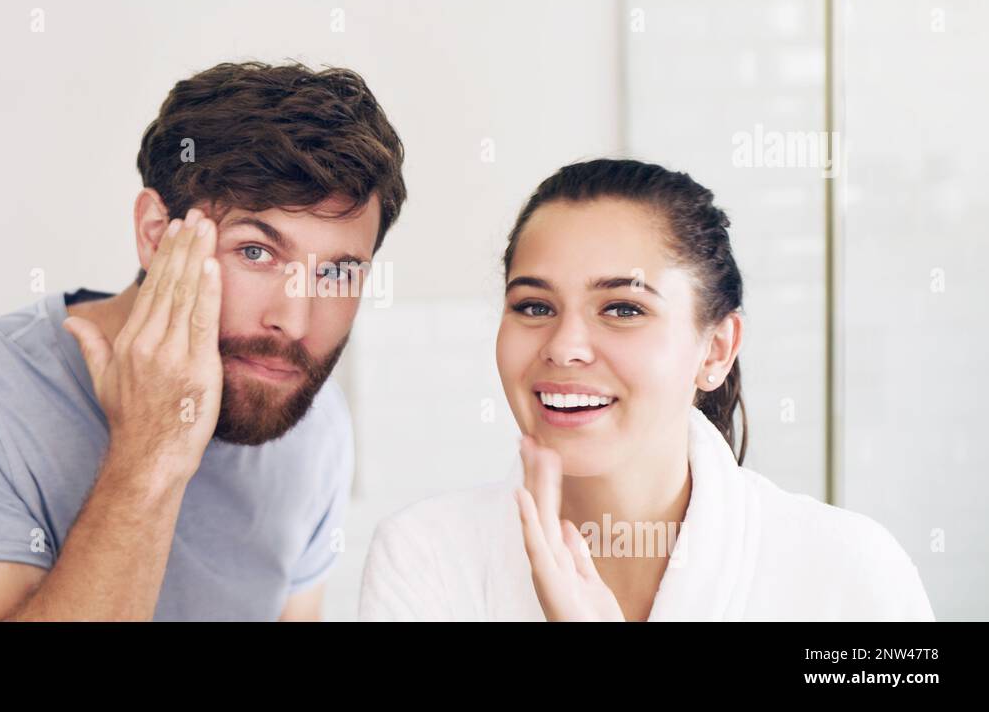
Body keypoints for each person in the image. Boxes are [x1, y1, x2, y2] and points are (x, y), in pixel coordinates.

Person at [0, 61, 407, 621]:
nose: (295, 321)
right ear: (154, 234)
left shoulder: (315, 427)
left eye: (337, 273)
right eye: (255, 252)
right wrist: (153, 453)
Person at [358, 158, 934, 621]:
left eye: (623, 308)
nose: (565, 346)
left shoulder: (851, 571)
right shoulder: (425, 557)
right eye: (535, 306)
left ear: (715, 349)